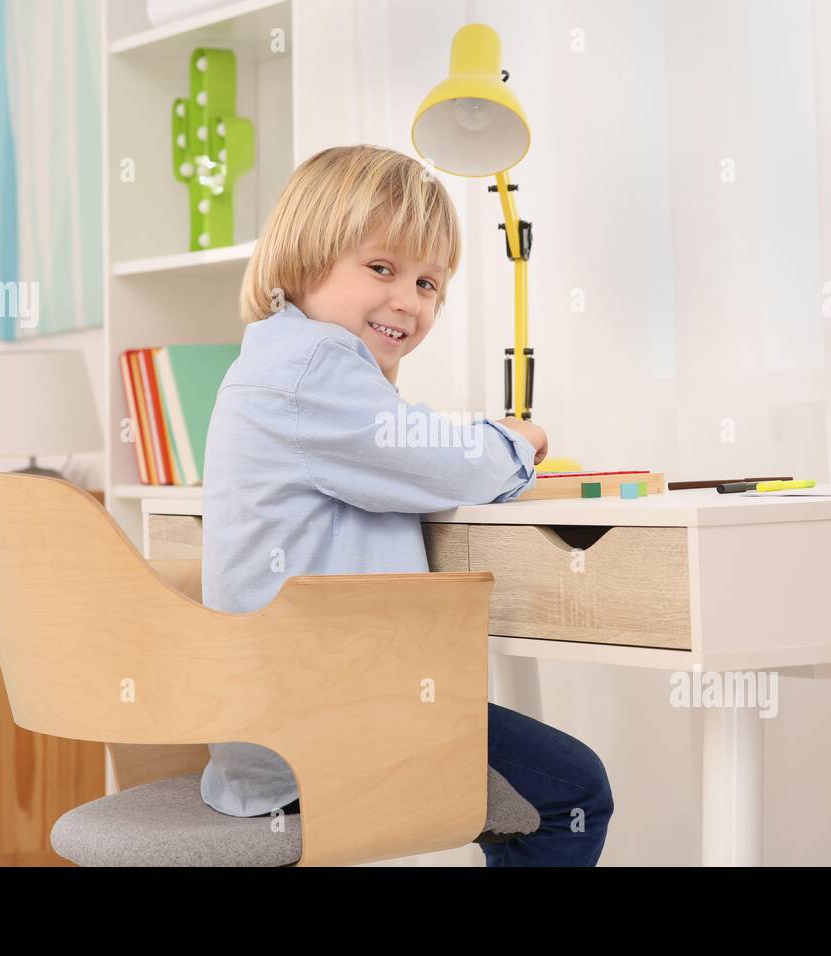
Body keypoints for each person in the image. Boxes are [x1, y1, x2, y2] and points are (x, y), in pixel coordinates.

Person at [199, 144, 613, 866]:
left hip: (278, 721)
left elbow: (400, 450)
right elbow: (441, 461)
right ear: (300, 258)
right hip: (322, 728)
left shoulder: (279, 363)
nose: (408, 300)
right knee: (571, 792)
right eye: (382, 268)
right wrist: (517, 440)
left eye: (429, 283)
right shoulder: (310, 368)